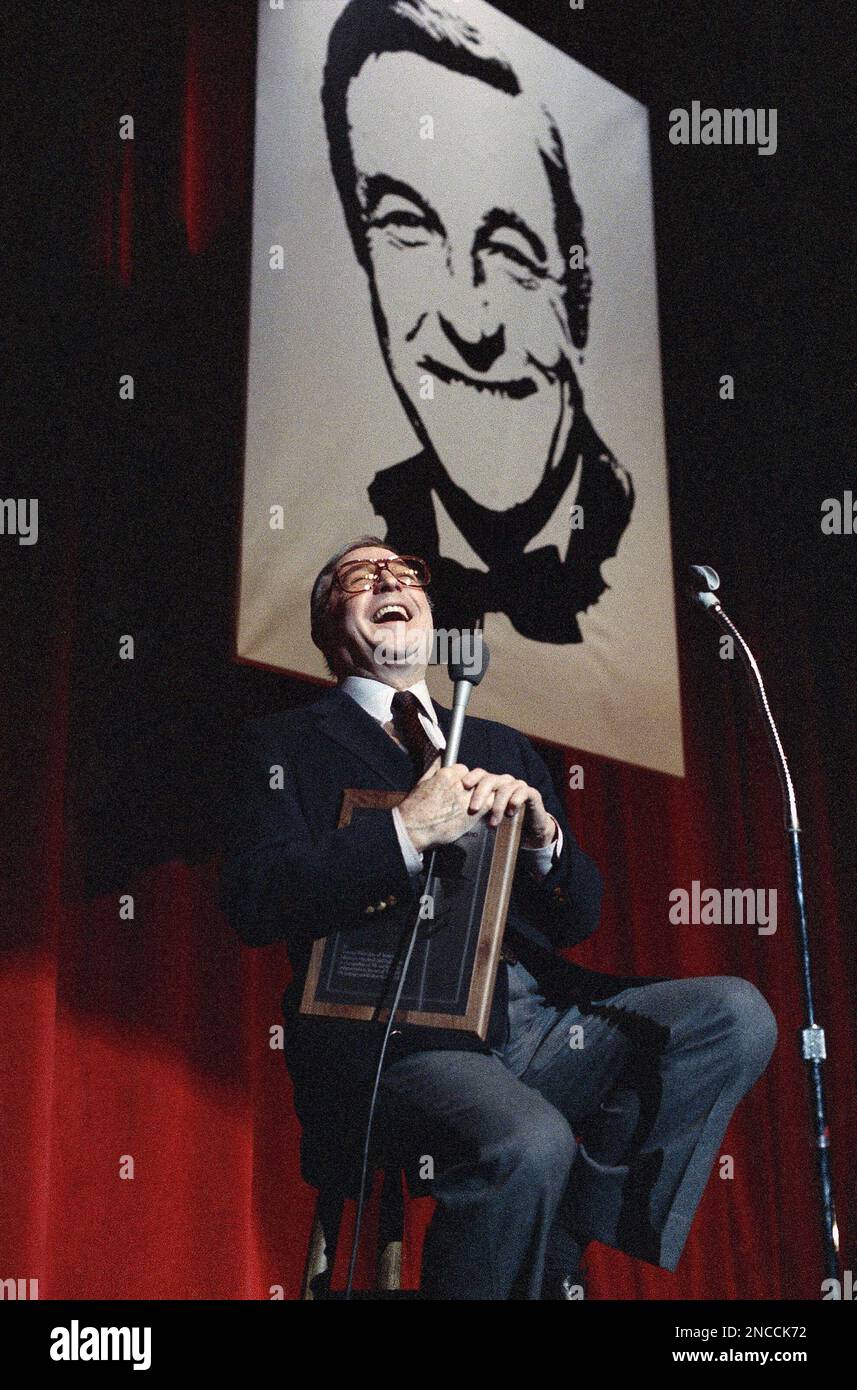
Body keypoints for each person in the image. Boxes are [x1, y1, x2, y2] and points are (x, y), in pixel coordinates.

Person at [219, 538, 778, 1300]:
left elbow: (580, 916)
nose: (390, 580)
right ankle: (530, 1247)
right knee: (527, 1142)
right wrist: (404, 832)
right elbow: (254, 898)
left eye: (404, 573)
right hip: (394, 1037)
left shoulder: (496, 742)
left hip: (536, 1022)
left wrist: (545, 839)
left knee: (730, 1015)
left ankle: (555, 1236)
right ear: (327, 628)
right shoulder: (282, 745)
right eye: (361, 577)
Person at [320, 0, 634, 644]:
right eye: (407, 226)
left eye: (512, 253)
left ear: (578, 297)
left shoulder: (639, 554)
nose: (469, 324)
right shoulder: (378, 521)